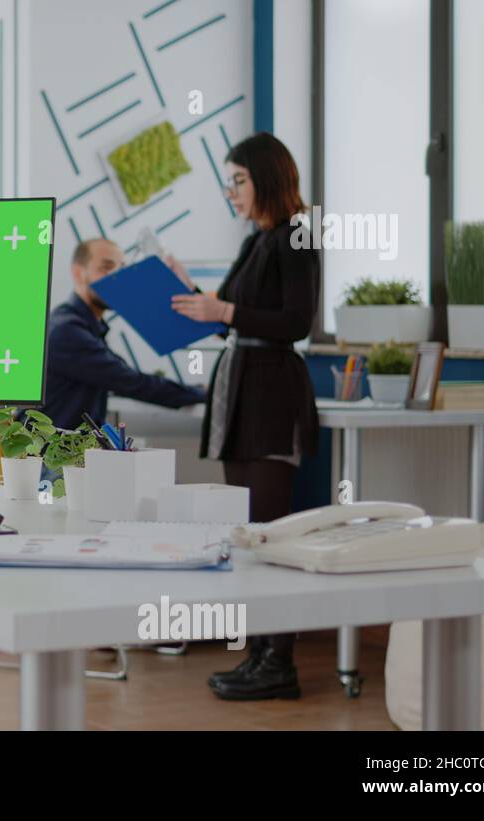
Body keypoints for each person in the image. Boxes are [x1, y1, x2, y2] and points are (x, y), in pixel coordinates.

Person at [170, 132, 319, 701]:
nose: (230, 191)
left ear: (266, 178)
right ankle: (260, 654)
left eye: (238, 180)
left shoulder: (297, 234)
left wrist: (224, 308)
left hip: (272, 395)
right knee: (248, 531)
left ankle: (279, 662)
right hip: (243, 395)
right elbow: (228, 316)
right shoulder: (257, 240)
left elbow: (296, 321)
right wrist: (189, 292)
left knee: (270, 531)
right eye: (228, 181)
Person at [41, 237, 206, 431]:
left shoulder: (84, 325)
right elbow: (129, 381)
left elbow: (119, 374)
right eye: (106, 267)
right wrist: (201, 392)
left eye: (121, 269)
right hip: (47, 456)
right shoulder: (68, 330)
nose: (116, 277)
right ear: (79, 273)